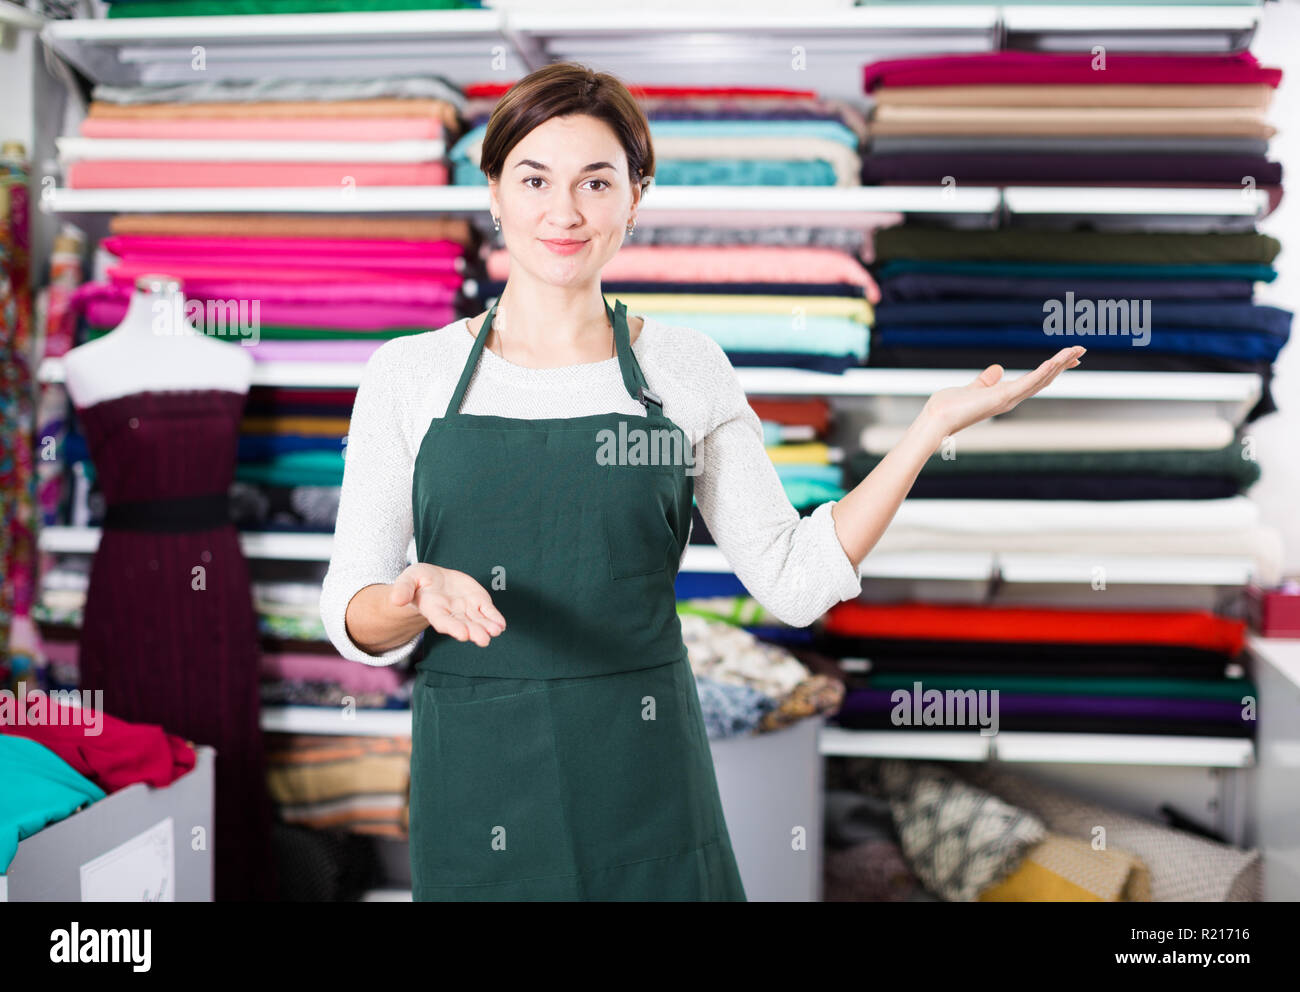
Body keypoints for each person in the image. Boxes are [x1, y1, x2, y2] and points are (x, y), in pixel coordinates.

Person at [320, 62, 1084, 901]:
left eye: (596, 181)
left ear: (635, 200)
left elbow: (793, 581)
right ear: (495, 191)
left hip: (642, 766)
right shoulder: (409, 374)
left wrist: (926, 432)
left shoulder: (686, 368)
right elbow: (351, 604)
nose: (564, 211)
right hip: (476, 766)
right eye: (534, 178)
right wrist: (408, 595)